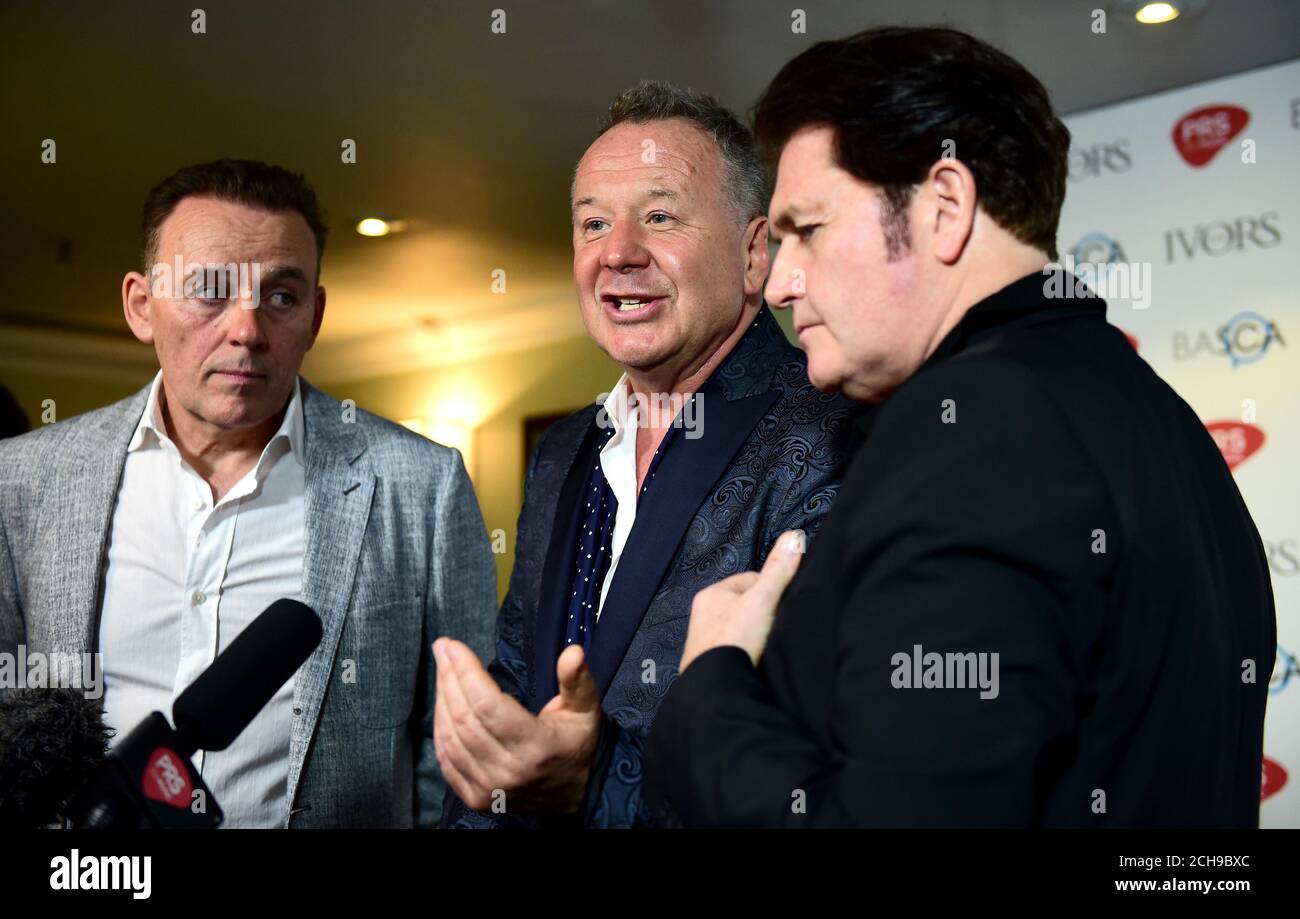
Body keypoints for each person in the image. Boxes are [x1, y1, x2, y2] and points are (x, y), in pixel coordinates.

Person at [644, 27, 1276, 827]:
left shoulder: (976, 432)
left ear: (945, 206)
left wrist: (711, 688)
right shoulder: (1164, 424)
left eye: (808, 228)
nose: (780, 283)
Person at [0, 159, 497, 828]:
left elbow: (462, 761)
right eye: (209, 290)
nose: (247, 330)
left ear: (315, 316)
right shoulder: (24, 480)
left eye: (281, 297)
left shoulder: (420, 486)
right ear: (140, 306)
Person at [436, 81, 862, 828]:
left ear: (754, 255)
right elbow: (517, 681)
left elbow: (815, 754)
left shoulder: (835, 433)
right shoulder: (561, 452)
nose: (618, 253)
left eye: (660, 217)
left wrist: (584, 783)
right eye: (593, 223)